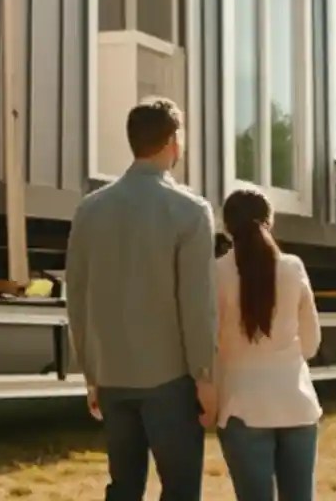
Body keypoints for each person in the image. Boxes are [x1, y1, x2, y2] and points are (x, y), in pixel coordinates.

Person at [65, 97, 218, 501]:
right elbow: (197, 302)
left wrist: (91, 372)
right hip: (169, 380)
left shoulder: (89, 210)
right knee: (181, 488)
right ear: (173, 142)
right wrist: (205, 375)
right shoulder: (191, 211)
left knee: (124, 487)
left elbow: (77, 296)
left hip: (112, 376)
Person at [214, 188, 322, 501]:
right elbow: (312, 344)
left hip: (241, 407)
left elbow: (210, 343)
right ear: (270, 222)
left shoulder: (216, 272)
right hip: (297, 404)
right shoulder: (293, 268)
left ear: (226, 227)